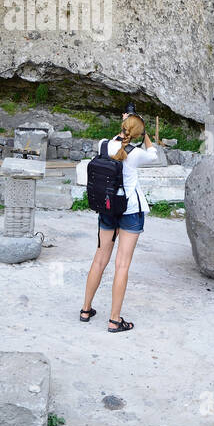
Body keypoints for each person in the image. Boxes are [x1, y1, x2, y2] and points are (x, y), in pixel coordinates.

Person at [80, 112, 159, 333]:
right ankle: (115, 320)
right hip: (130, 210)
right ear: (138, 134)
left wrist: (127, 123)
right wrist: (145, 134)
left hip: (107, 207)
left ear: (122, 126)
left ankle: (86, 309)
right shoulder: (136, 154)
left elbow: (117, 141)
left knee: (99, 259)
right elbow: (154, 155)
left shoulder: (102, 145)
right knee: (121, 265)